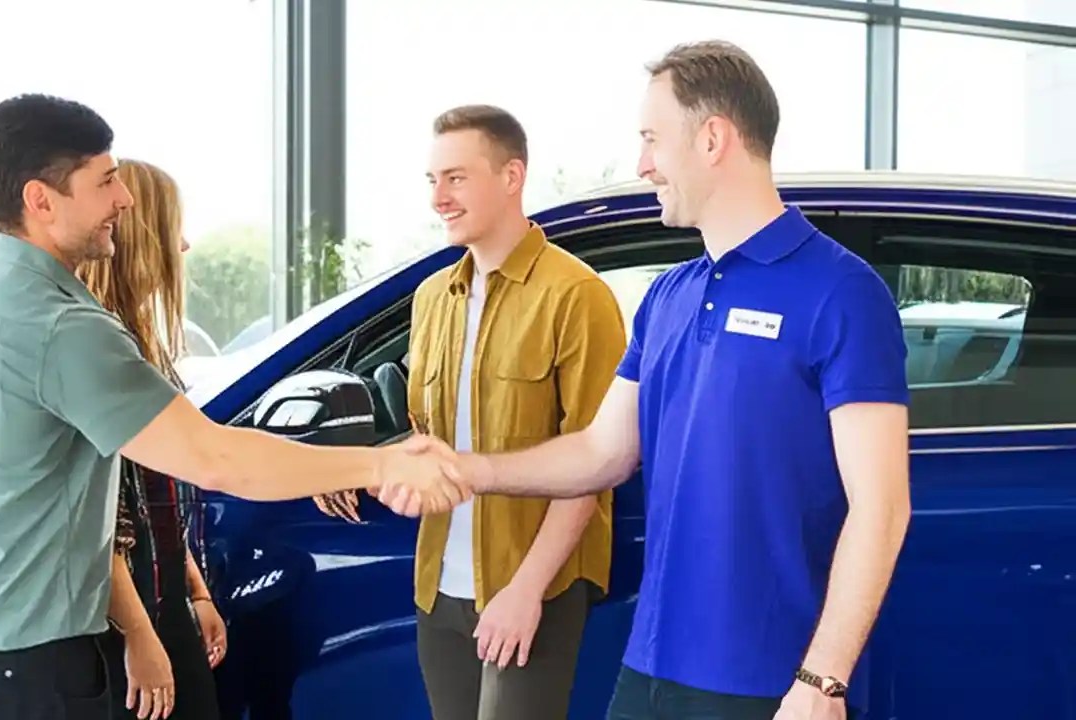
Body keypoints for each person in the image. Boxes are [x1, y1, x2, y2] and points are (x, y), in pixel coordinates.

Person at [383, 41, 912, 720]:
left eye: (651, 139)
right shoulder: (668, 296)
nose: (641, 164)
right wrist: (468, 469)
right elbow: (603, 452)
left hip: (770, 679)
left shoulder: (842, 293)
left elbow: (882, 507)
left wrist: (822, 681)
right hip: (651, 665)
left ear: (713, 138)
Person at [0, 93, 466, 720]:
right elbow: (215, 457)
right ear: (40, 200)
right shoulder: (62, 328)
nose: (123, 200)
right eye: (106, 182)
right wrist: (381, 466)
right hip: (33, 668)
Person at [315, 105, 625, 720]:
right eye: (432, 180)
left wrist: (526, 592)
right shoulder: (433, 298)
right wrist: (354, 465)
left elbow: (596, 459)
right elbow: (431, 440)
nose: (439, 198)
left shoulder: (577, 296)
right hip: (439, 589)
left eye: (456, 177)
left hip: (533, 583)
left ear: (512, 176)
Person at [75, 159, 224, 720]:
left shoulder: (144, 344)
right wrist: (139, 635)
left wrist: (195, 593)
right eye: (173, 230)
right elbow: (101, 518)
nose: (183, 246)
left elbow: (155, 495)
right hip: (127, 621)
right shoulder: (97, 348)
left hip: (163, 605)